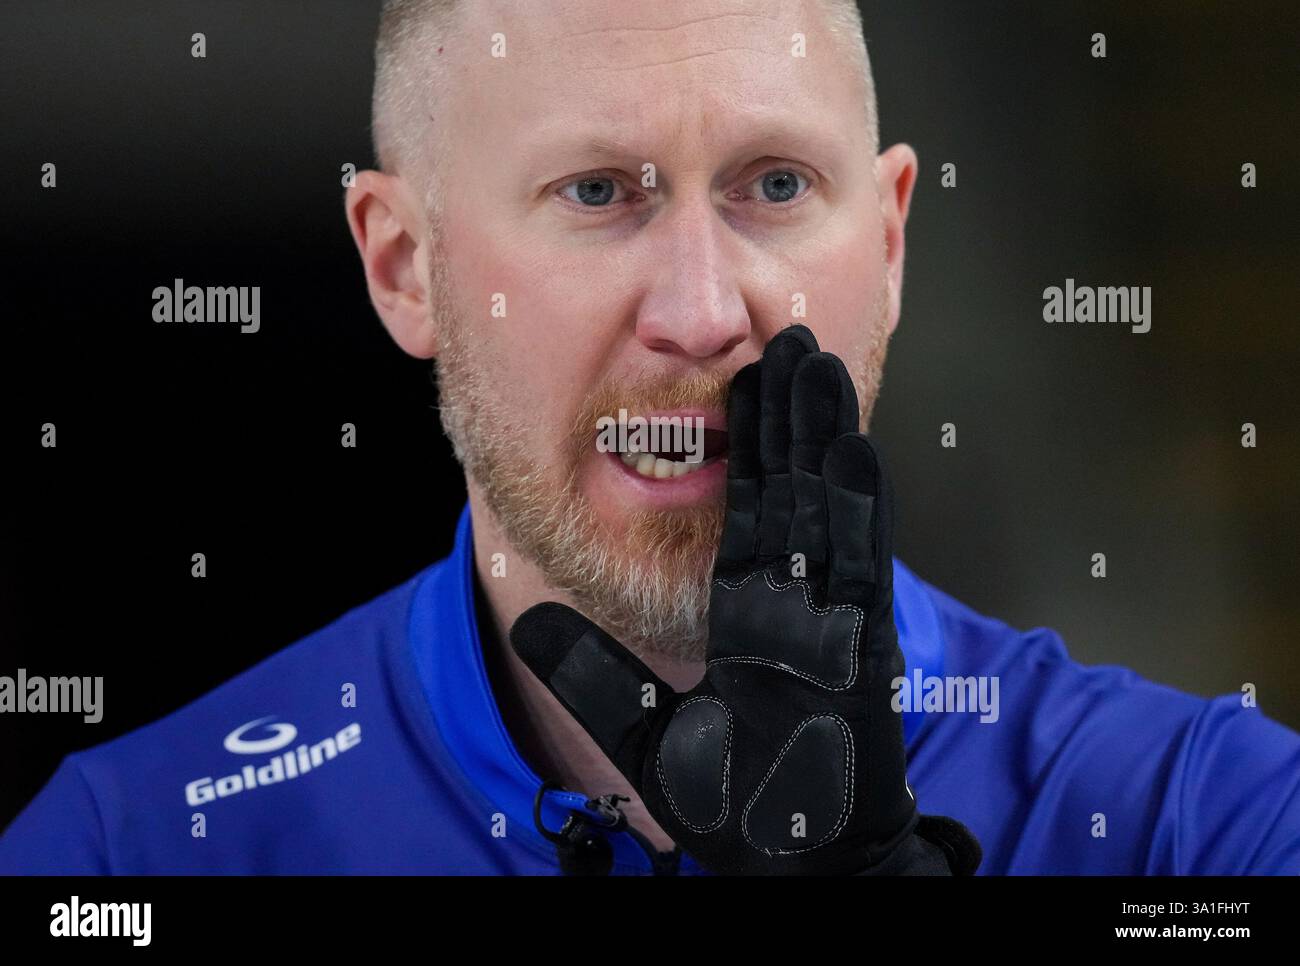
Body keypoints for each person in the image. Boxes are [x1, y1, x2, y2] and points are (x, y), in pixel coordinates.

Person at [2, 0, 1297, 875]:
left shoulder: (1201, 819)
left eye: (775, 186)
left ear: (892, 245)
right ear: (405, 268)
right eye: (599, 193)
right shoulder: (129, 851)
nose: (701, 312)